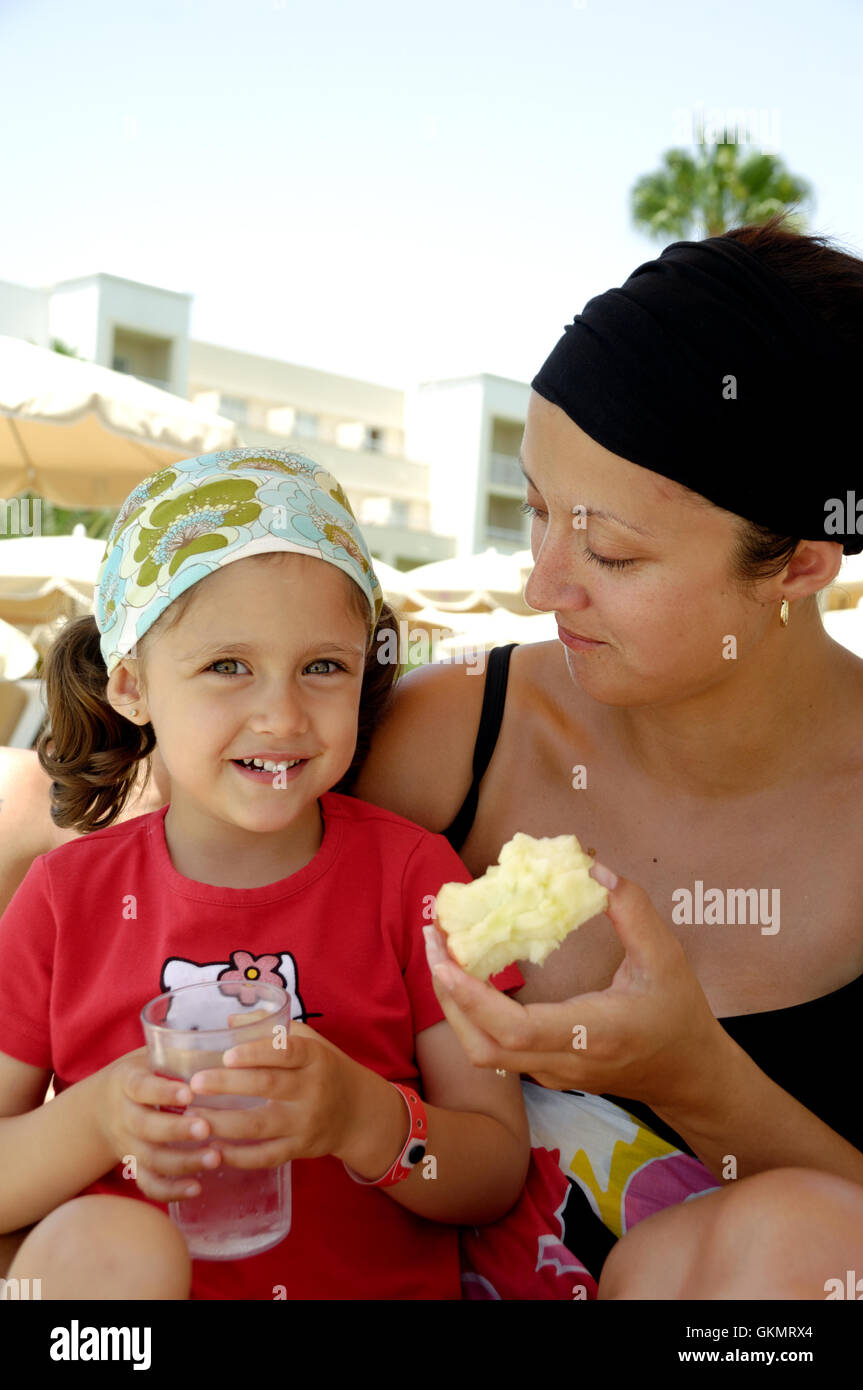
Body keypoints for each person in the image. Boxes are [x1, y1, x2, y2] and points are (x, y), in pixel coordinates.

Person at [353, 218, 863, 1300]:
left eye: (610, 552)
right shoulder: (448, 735)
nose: (542, 587)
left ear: (801, 563)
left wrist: (695, 1079)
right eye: (535, 511)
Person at [0, 447, 529, 1301]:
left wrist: (364, 1118)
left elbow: (492, 1173)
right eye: (227, 666)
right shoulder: (65, 900)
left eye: (323, 667)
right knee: (105, 1237)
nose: (281, 714)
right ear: (130, 683)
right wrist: (97, 1117)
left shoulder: (415, 881)